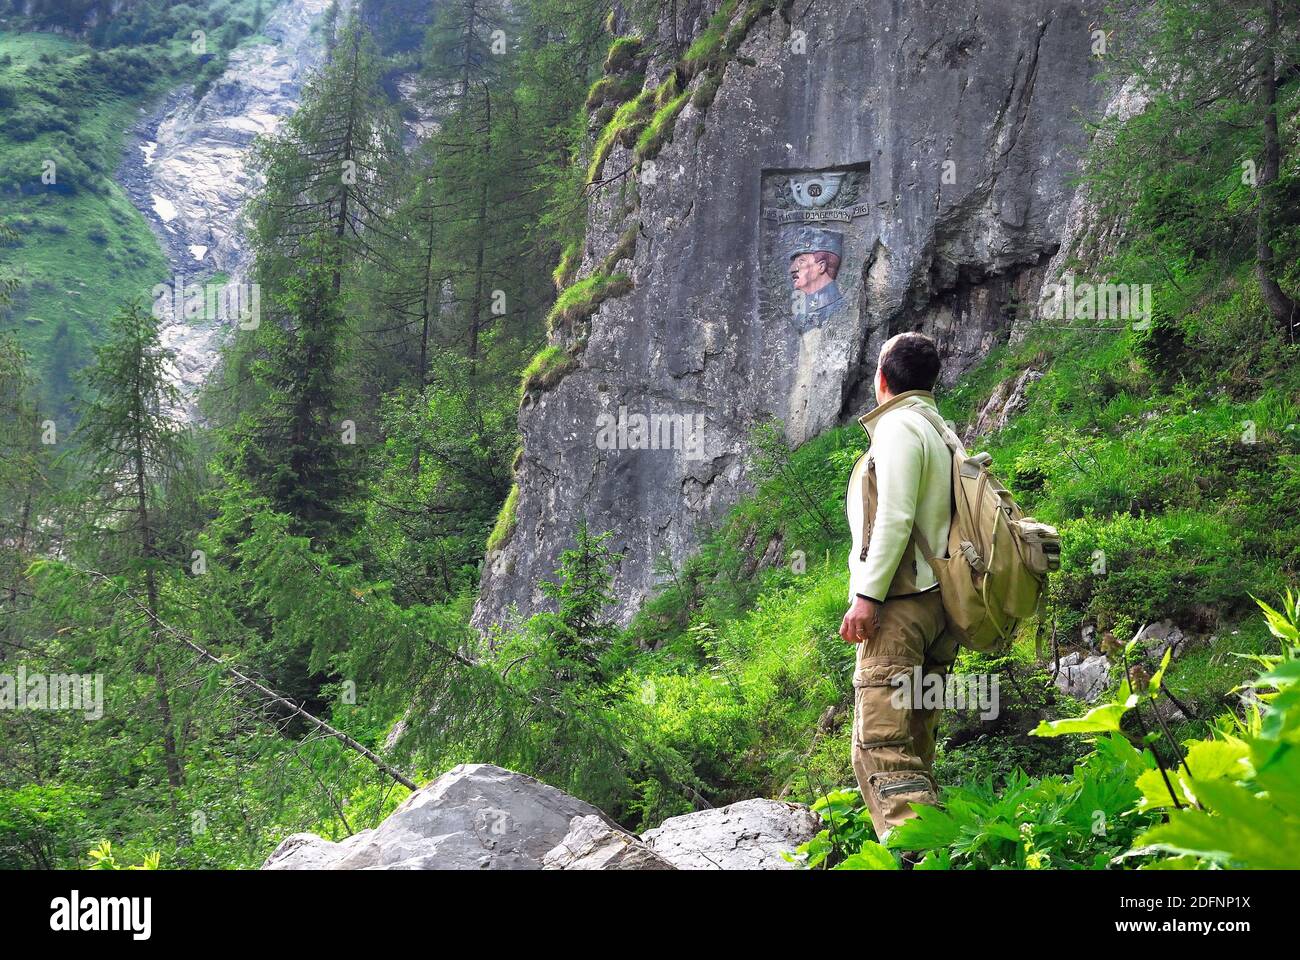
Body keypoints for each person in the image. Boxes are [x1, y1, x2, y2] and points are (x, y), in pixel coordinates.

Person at [839, 331, 955, 843]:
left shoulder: (898, 427)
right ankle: (942, 843)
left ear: (882, 379)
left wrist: (867, 596)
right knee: (913, 738)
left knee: (880, 742)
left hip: (901, 609)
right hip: (939, 609)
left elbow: (895, 517)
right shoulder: (940, 430)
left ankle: (922, 852)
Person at [786, 226, 844, 330]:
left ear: (821, 266)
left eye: (801, 261)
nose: (792, 269)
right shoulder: (803, 311)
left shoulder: (840, 309)